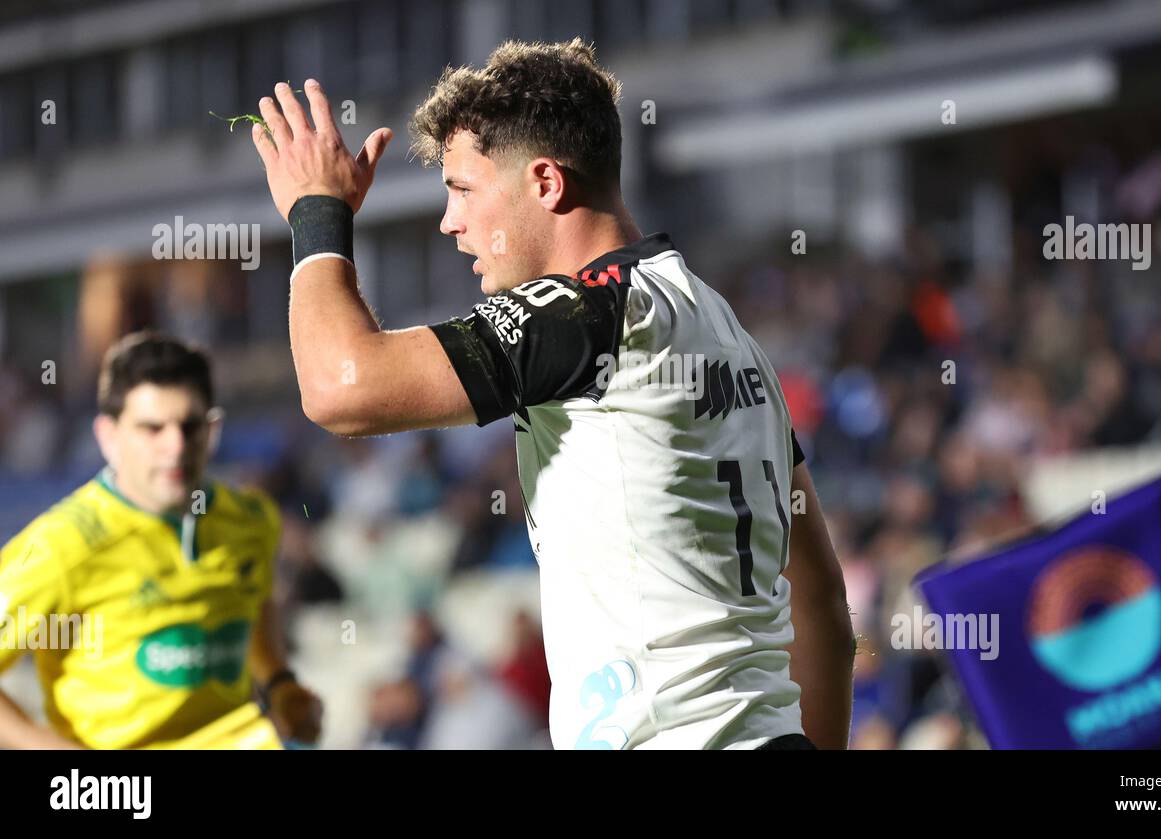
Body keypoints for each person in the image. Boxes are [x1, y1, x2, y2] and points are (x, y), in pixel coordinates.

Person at [249, 38, 854, 749]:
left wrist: (317, 216)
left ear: (544, 183)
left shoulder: (590, 312)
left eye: (463, 190)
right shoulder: (730, 336)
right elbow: (823, 609)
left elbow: (339, 388)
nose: (450, 222)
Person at [0, 331, 321, 749]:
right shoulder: (61, 545)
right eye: (152, 429)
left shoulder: (251, 518)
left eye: (189, 426)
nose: (175, 447)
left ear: (214, 429)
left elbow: (255, 604)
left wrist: (279, 681)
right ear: (108, 436)